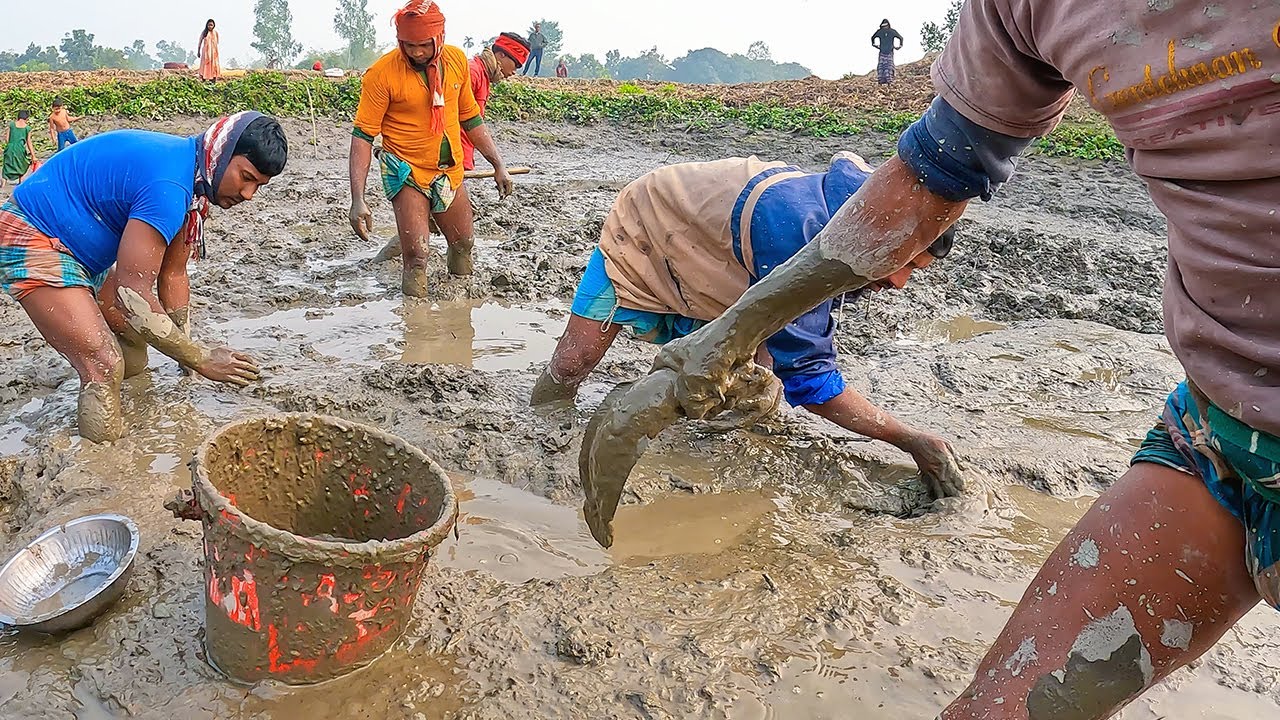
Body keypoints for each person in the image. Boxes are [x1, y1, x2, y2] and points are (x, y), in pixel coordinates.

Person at [643, 1, 1280, 717]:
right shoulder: (1016, 10)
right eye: (903, 268)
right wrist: (727, 337)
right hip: (1213, 432)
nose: (895, 284)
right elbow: (933, 174)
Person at [532, 153, 963, 496]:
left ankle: (701, 438)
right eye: (901, 261)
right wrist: (907, 438)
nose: (898, 282)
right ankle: (541, 425)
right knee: (575, 361)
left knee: (754, 379)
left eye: (914, 268)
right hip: (651, 228)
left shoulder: (868, 221)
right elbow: (812, 377)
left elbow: (787, 333)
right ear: (882, 236)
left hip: (730, 260)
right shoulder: (803, 230)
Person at [0, 112, 286, 442]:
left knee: (133, 342)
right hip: (34, 235)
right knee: (104, 364)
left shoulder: (194, 188)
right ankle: (101, 468)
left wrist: (188, 363)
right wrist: (201, 357)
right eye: (245, 177)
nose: (248, 194)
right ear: (222, 154)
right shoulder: (170, 186)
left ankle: (127, 418)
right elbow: (132, 294)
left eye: (259, 186)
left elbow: (174, 275)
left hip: (81, 253)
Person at [348, 0, 514, 298]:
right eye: (408, 45)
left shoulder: (457, 62)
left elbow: (470, 118)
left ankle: (461, 319)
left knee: (463, 242)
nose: (416, 52)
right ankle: (415, 326)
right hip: (405, 169)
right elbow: (363, 136)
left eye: (424, 45)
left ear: (440, 38)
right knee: (417, 256)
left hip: (449, 170)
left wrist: (497, 164)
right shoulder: (381, 74)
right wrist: (357, 199)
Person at [462, 32, 530, 171]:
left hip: (462, 156)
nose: (513, 72)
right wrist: (498, 165)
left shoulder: (483, 76)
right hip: (453, 159)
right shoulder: (472, 73)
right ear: (501, 55)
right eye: (516, 64)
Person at [1, 111, 36, 189]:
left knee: (7, 164)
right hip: (20, 148)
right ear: (26, 119)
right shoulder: (27, 128)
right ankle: (21, 181)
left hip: (10, 147)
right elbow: (29, 142)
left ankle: (3, 183)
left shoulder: (12, 125)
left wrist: (10, 145)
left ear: (18, 117)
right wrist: (33, 155)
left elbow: (7, 139)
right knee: (23, 164)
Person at [871, 19, 903, 85]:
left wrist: (900, 46)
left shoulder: (891, 32)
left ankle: (889, 82)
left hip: (889, 52)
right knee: (881, 67)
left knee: (888, 67)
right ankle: (881, 82)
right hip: (882, 52)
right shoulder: (880, 32)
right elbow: (873, 37)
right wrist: (874, 45)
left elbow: (900, 38)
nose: (885, 28)